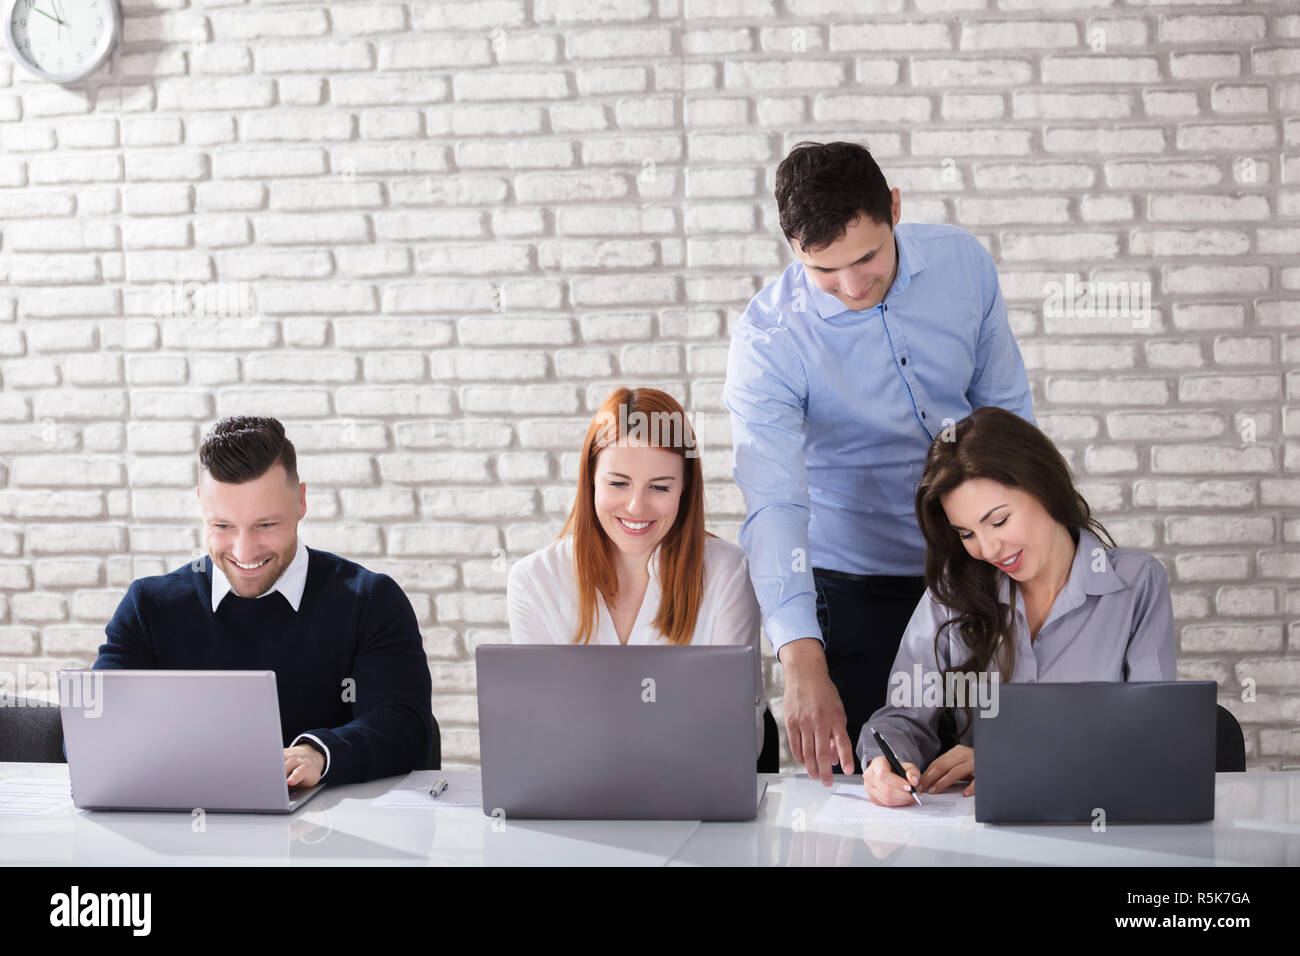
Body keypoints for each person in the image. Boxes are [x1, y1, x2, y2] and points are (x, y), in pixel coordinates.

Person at [724, 140, 1035, 780]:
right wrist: (801, 661)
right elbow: (776, 504)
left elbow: (1007, 421)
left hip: (979, 566)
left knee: (1004, 780)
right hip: (853, 589)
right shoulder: (768, 341)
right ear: (792, 250)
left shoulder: (963, 265)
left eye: (867, 256)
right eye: (824, 271)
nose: (852, 285)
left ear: (893, 208)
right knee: (878, 792)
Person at [94, 416, 435, 788]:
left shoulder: (369, 601)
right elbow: (92, 727)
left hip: (330, 832)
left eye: (266, 525)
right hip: (184, 831)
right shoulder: (149, 606)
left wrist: (318, 753)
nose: (244, 551)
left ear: (301, 501)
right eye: (222, 526)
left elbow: (402, 723)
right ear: (201, 506)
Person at [860, 406, 1176, 807]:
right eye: (966, 533)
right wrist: (885, 762)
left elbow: (1153, 738)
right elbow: (903, 716)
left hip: (1099, 825)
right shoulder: (950, 593)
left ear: (1043, 488)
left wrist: (1016, 760)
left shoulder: (1136, 585)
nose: (988, 549)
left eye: (999, 521)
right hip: (982, 835)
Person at [507, 387, 766, 754]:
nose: (635, 507)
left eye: (659, 487)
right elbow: (542, 733)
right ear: (590, 480)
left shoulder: (728, 574)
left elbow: (737, 737)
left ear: (684, 491)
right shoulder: (535, 581)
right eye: (618, 483)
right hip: (576, 799)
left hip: (689, 799)